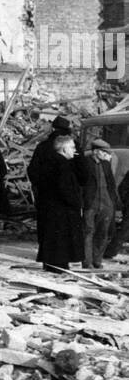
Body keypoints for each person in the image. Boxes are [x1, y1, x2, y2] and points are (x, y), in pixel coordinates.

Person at [37, 134, 87, 272]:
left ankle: (54, 268)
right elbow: (66, 189)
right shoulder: (62, 165)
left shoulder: (51, 162)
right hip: (63, 212)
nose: (74, 151)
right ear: (64, 149)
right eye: (72, 147)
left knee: (55, 247)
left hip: (52, 210)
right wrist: (77, 204)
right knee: (61, 247)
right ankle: (58, 271)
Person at [28, 114, 74, 251]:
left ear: (53, 129)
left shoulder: (42, 147)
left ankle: (45, 252)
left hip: (45, 193)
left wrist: (39, 186)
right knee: (63, 226)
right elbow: (81, 171)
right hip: (65, 193)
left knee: (44, 223)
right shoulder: (71, 147)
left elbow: (32, 170)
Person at [82, 138, 118, 269]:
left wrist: (114, 202)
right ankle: (87, 261)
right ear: (96, 151)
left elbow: (111, 184)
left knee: (103, 232)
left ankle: (97, 260)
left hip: (106, 202)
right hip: (91, 202)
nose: (107, 154)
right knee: (88, 231)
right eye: (104, 151)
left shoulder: (106, 164)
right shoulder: (85, 163)